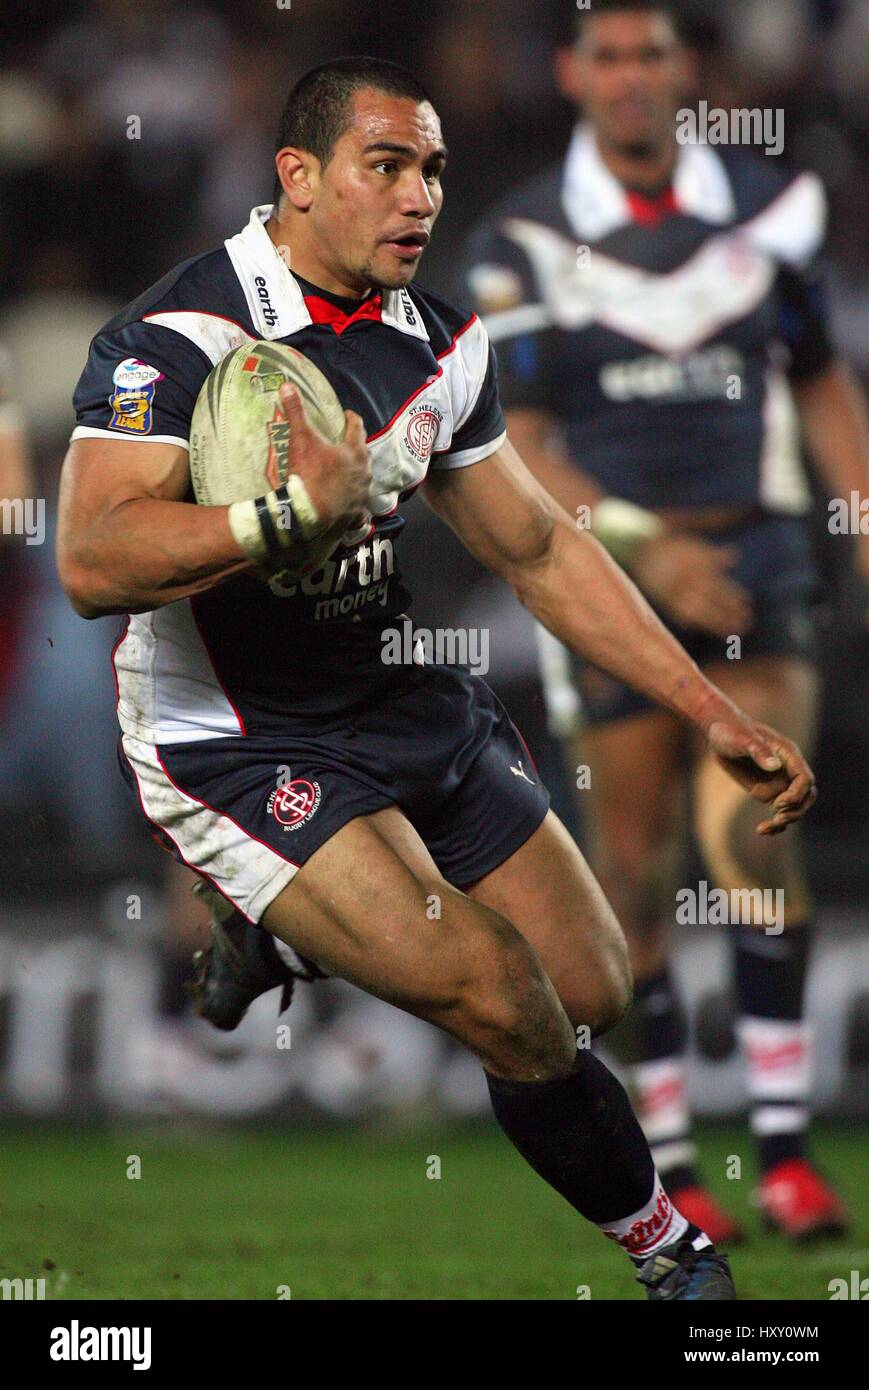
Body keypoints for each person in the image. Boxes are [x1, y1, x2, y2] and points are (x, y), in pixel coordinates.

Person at [58, 56, 817, 1299]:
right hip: (242, 738)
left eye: (433, 171)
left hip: (401, 699)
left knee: (588, 991)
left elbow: (534, 546)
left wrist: (708, 706)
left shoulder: (442, 340)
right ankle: (674, 1259)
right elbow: (93, 557)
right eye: (387, 166)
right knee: (502, 993)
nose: (419, 198)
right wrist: (282, 519)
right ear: (297, 179)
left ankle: (274, 931)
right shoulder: (179, 335)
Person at [465, 0, 868, 1241]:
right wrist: (652, 553)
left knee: (749, 831)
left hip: (756, 555)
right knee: (630, 880)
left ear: (683, 70)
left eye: (650, 53)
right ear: (569, 73)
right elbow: (516, 451)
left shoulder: (771, 209)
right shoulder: (522, 240)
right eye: (608, 54)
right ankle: (678, 1162)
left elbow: (815, 376)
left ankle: (787, 1159)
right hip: (607, 577)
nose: (631, 75)